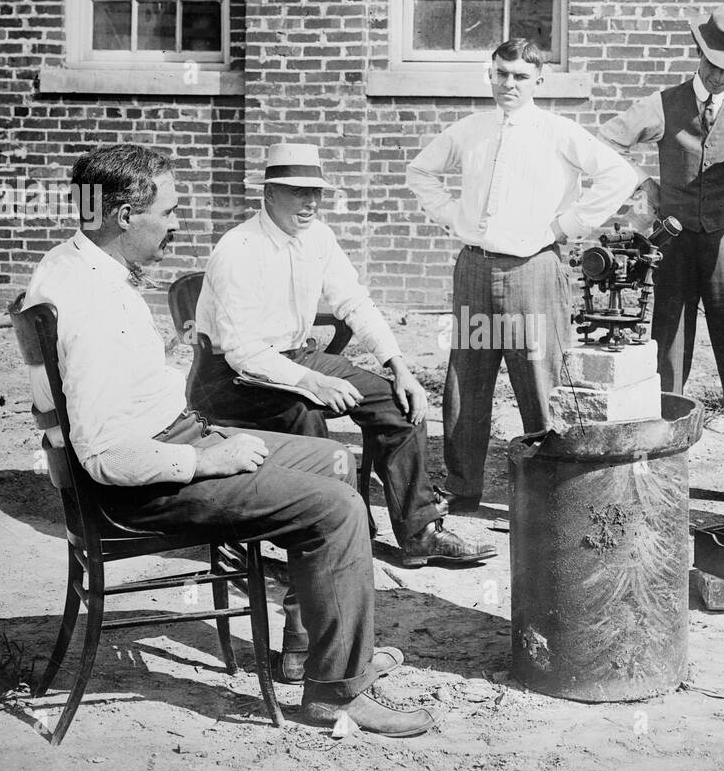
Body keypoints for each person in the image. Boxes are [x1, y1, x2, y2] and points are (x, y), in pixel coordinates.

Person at [22, 143, 435, 736]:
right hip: (149, 481)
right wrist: (207, 459)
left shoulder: (79, 265)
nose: (175, 225)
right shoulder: (89, 300)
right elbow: (107, 456)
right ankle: (336, 696)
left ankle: (310, 651)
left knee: (335, 462)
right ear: (122, 216)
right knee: (340, 509)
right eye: (167, 212)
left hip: (173, 434)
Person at [192, 142, 494, 571]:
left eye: (316, 191)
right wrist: (313, 383)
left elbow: (354, 302)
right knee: (303, 409)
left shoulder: (318, 236)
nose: (310, 202)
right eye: (298, 192)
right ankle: (324, 534)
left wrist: (399, 366)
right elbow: (243, 352)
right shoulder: (238, 248)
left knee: (397, 403)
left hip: (293, 357)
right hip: (228, 379)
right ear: (269, 194)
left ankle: (419, 531)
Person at [406, 38, 637, 511]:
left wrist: (565, 226)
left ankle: (548, 492)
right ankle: (464, 485)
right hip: (475, 268)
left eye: (520, 76)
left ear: (538, 81)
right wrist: (454, 217)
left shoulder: (558, 131)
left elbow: (618, 175)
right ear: (490, 75)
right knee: (467, 378)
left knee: (538, 376)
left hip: (532, 272)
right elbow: (420, 172)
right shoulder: (471, 130)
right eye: (501, 73)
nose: (509, 84)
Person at [600, 0, 724, 503]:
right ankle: (661, 468)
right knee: (667, 356)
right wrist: (643, 184)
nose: (722, 78)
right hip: (673, 244)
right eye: (715, 66)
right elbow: (605, 141)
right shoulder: (662, 103)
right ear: (699, 56)